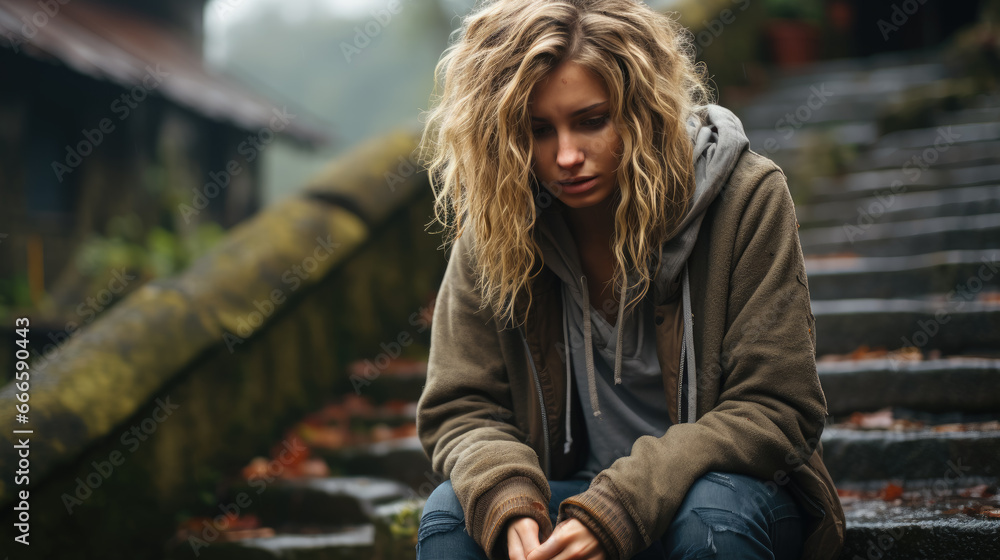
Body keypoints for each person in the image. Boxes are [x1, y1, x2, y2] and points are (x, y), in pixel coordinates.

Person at [414, 1, 846, 559]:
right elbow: (459, 407)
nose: (566, 155)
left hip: (722, 499)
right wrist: (503, 489)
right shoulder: (500, 226)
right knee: (452, 515)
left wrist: (623, 505)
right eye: (539, 130)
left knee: (711, 518)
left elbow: (779, 408)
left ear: (641, 109)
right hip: (572, 504)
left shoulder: (746, 198)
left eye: (592, 121)